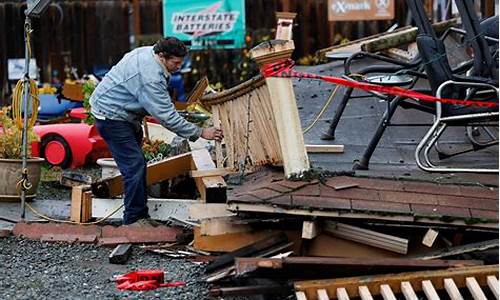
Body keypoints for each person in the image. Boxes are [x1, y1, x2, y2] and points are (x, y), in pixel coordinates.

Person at [90, 37, 223, 226]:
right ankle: (134, 220)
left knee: (137, 165)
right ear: (162, 56)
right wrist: (201, 133)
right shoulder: (150, 77)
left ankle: (140, 213)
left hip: (123, 114)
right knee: (134, 166)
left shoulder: (149, 53)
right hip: (112, 117)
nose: (178, 67)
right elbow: (166, 116)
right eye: (175, 63)